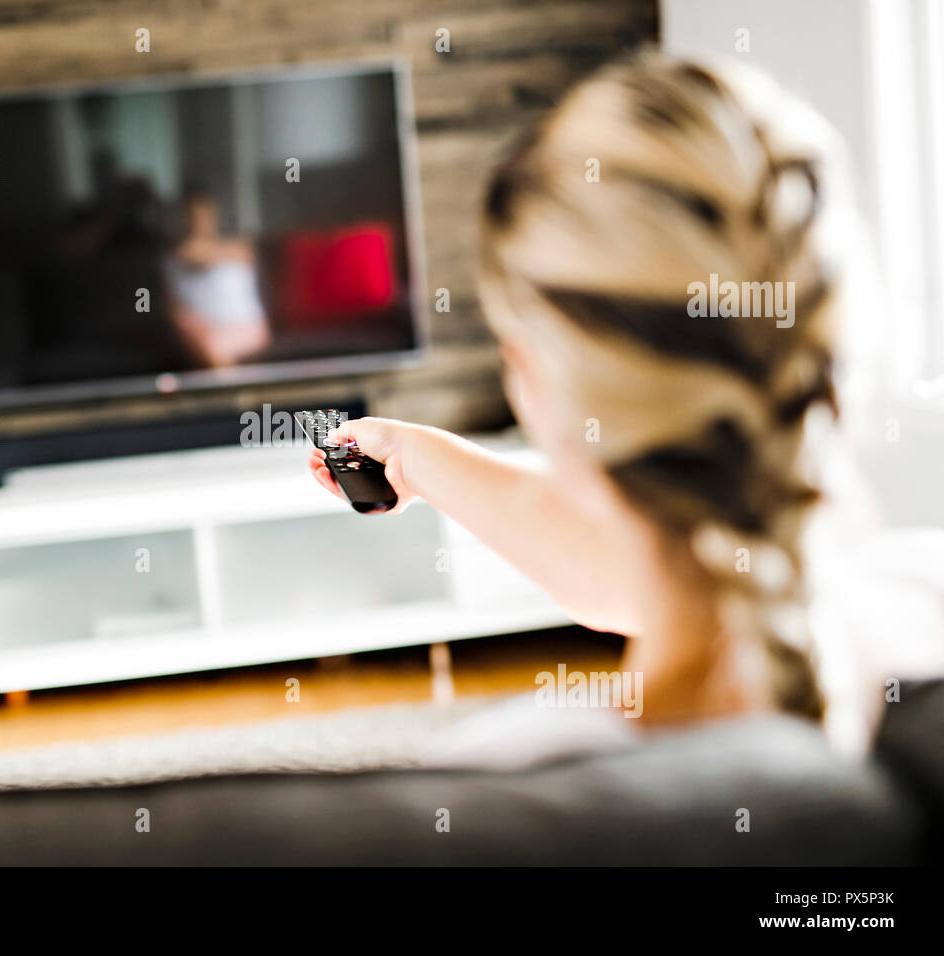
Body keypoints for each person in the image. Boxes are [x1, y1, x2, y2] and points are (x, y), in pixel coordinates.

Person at [308, 51, 944, 761]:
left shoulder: (516, 785)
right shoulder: (922, 596)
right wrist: (419, 459)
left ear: (539, 385)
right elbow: (647, 570)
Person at [164, 186, 270, 368]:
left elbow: (199, 255)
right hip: (198, 331)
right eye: (192, 215)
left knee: (214, 347)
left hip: (245, 327)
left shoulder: (239, 247)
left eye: (203, 214)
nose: (198, 221)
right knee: (199, 334)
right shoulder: (173, 260)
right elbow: (171, 305)